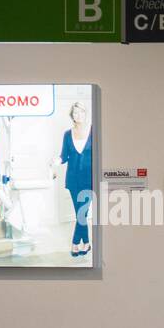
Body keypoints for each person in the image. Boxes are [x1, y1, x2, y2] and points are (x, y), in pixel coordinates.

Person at [59, 100, 94, 258]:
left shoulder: (94, 131)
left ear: (85, 114)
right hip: (73, 180)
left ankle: (75, 244)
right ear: (72, 116)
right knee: (81, 214)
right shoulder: (67, 134)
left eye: (81, 112)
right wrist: (55, 161)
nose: (78, 115)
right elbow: (64, 157)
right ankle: (86, 243)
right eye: (75, 113)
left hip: (89, 179)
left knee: (82, 213)